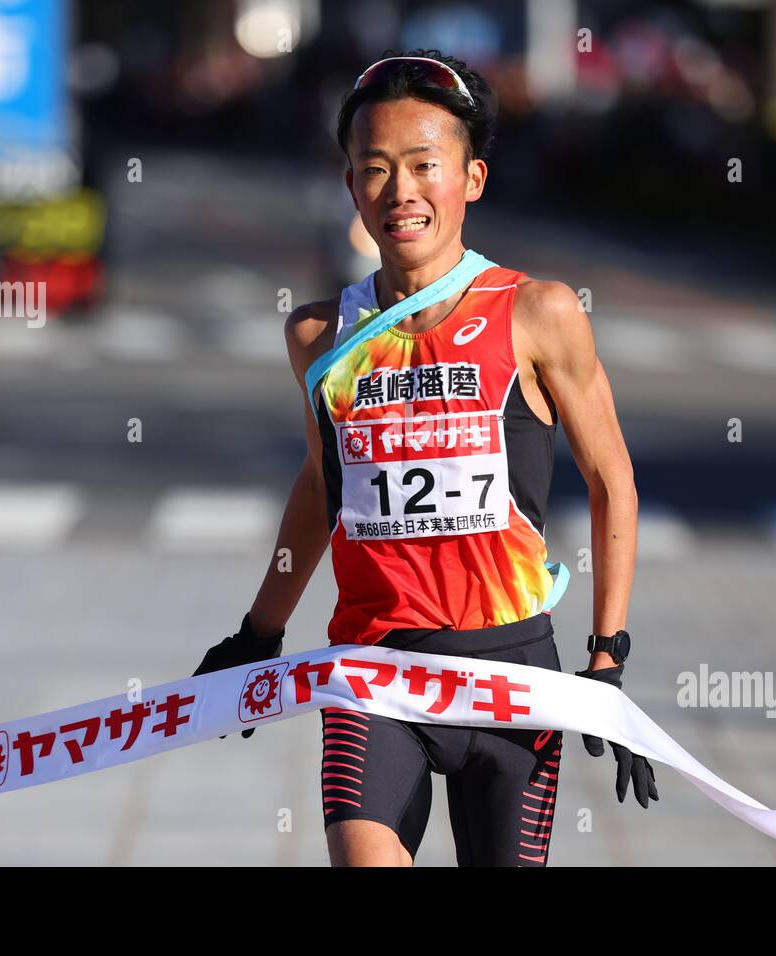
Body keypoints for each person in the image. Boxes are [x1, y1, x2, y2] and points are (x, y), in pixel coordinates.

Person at [193, 50, 656, 867]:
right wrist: (258, 632)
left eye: (423, 166)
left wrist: (607, 658)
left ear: (471, 178)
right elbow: (320, 485)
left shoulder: (538, 313)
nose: (400, 192)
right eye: (374, 170)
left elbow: (611, 477)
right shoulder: (317, 338)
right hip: (374, 674)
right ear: (350, 188)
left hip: (512, 675)